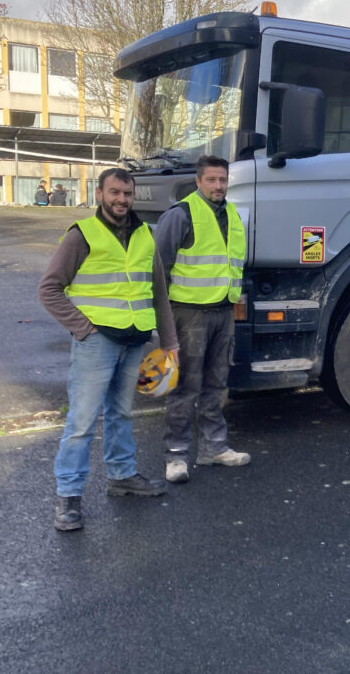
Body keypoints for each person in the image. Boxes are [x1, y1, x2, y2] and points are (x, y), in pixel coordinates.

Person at [38, 168, 179, 532]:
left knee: (121, 414)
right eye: (114, 192)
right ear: (99, 193)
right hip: (96, 343)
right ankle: (68, 497)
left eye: (127, 194)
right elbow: (49, 288)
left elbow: (158, 293)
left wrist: (170, 342)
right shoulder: (81, 235)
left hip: (134, 341)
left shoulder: (147, 235)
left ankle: (122, 477)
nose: (121, 200)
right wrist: (84, 328)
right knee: (81, 423)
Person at [153, 155, 249, 484]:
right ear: (198, 182)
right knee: (184, 387)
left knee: (217, 384)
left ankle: (213, 448)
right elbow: (158, 271)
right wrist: (162, 325)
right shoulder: (180, 215)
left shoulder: (233, 214)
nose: (218, 186)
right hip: (188, 313)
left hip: (223, 312)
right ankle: (176, 456)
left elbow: (233, 265)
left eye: (222, 180)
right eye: (211, 180)